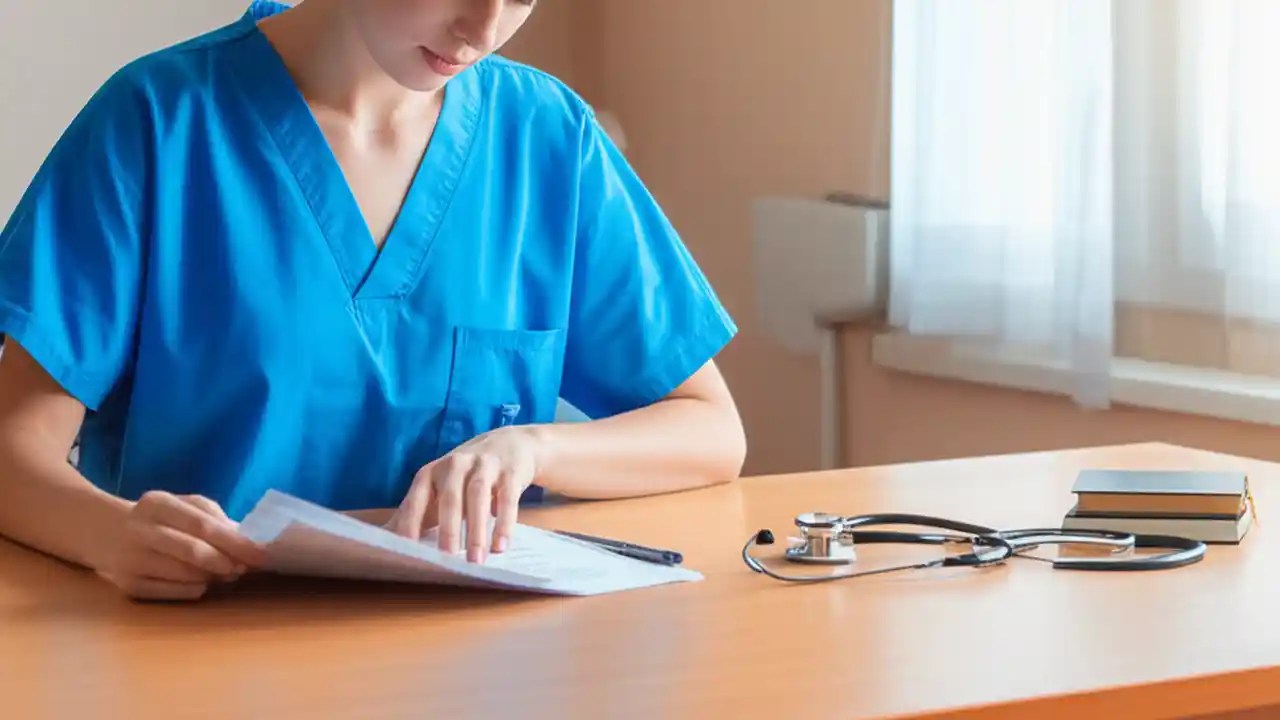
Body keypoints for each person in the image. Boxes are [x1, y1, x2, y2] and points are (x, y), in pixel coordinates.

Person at [0, 0, 745, 601]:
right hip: (203, 651)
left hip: (485, 665)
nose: (483, 28)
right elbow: (13, 454)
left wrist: (530, 448)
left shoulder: (547, 136)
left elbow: (711, 432)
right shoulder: (157, 122)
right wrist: (110, 535)